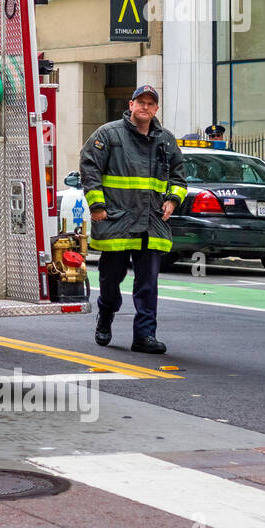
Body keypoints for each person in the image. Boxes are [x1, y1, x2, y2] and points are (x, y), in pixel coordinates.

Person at [79, 85, 186, 355]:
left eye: (151, 103)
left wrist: (172, 200)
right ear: (131, 104)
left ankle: (145, 336)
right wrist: (97, 204)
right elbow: (89, 165)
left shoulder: (167, 141)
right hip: (117, 220)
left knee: (148, 283)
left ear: (156, 109)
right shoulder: (108, 134)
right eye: (141, 102)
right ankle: (105, 315)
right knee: (111, 280)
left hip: (151, 222)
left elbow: (179, 176)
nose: (145, 107)